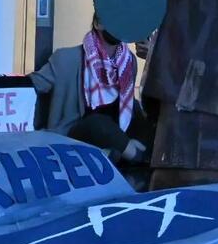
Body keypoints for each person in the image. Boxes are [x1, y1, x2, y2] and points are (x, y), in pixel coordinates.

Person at [30, 16, 154, 163]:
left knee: (141, 114)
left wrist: (152, 55)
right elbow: (31, 85)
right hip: (75, 137)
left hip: (117, 135)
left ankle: (127, 154)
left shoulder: (129, 61)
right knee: (97, 124)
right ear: (98, 24)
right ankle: (136, 156)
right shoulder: (66, 58)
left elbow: (128, 107)